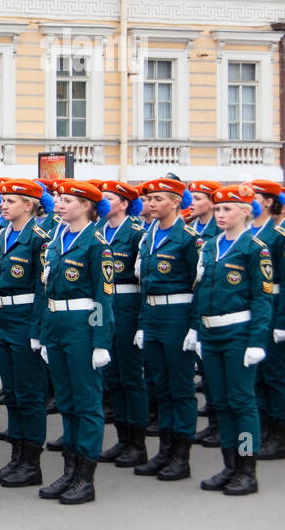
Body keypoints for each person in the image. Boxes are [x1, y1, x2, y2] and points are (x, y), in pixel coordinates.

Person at [38, 181, 114, 506]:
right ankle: (69, 471)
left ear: (86, 205)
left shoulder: (97, 244)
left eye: (67, 200)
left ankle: (85, 478)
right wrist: (44, 334)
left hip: (83, 328)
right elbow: (47, 291)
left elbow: (103, 295)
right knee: (66, 402)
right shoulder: (57, 239)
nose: (60, 204)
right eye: (58, 199)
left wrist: (100, 341)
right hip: (57, 326)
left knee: (86, 403)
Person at [192, 184, 270, 495]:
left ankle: (247, 469)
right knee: (220, 403)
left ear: (245, 211)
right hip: (211, 334)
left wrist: (257, 341)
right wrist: (197, 331)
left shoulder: (255, 248)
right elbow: (201, 292)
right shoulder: (210, 246)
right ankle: (229, 465)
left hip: (239, 334)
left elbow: (263, 299)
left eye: (228, 209)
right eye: (219, 208)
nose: (220, 214)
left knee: (242, 403)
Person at [131, 178, 201, 479]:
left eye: (159, 198)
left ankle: (181, 457)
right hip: (154, 314)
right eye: (150, 199)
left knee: (180, 387)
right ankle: (165, 450)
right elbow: (143, 284)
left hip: (178, 315)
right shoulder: (148, 236)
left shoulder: (188, 238)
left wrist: (195, 326)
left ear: (176, 202)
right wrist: (142, 324)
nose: (152, 203)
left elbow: (200, 285)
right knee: (159, 385)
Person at [0, 180, 50, 488]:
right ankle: (17, 457)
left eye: (11, 201)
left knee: (29, 394)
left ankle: (31, 463)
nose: (4, 206)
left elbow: (42, 288)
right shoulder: (1, 236)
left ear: (29, 205)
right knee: (11, 393)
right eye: (4, 201)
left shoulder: (39, 239)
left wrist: (38, 329)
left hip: (25, 319)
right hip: (4, 317)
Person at [95, 181, 148, 466]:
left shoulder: (137, 233)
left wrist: (142, 321)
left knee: (130, 376)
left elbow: (145, 280)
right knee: (112, 377)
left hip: (128, 307)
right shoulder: (99, 231)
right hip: (105, 307)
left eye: (109, 198)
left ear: (125, 203)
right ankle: (122, 438)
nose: (103, 202)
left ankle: (137, 443)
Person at [248, 180, 285, 461]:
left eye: (253, 196)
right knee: (257, 373)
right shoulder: (245, 233)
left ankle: (278, 437)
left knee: (275, 374)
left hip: (274, 305)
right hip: (250, 306)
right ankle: (262, 429)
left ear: (267, 202)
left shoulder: (280, 236)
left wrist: (284, 322)